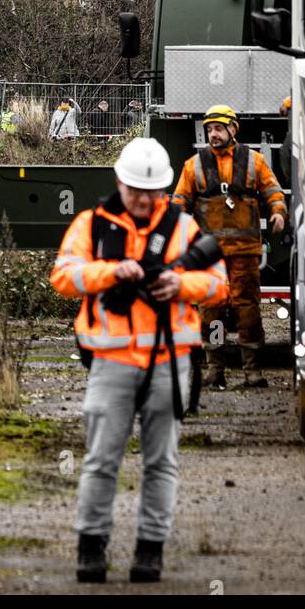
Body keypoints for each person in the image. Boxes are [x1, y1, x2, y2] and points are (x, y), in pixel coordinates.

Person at [50, 137, 228, 585]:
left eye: (154, 193)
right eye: (136, 192)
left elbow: (219, 286)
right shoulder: (91, 225)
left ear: (166, 189)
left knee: (161, 461)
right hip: (111, 362)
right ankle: (91, 548)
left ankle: (150, 551)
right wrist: (112, 273)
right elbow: (63, 276)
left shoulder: (185, 229)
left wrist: (180, 286)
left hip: (170, 360)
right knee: (100, 459)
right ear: (120, 183)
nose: (146, 201)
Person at [173, 104, 287, 390]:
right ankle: (215, 370)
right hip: (209, 254)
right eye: (209, 129)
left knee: (247, 308)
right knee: (211, 309)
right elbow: (179, 202)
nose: (213, 134)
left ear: (232, 130)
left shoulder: (255, 161)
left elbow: (273, 191)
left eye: (218, 129)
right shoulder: (194, 165)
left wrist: (278, 212)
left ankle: (253, 372)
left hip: (245, 251)